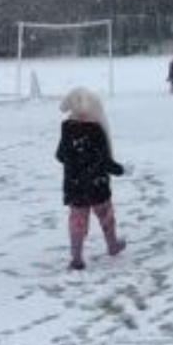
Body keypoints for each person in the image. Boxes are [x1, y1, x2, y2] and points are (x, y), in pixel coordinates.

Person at [56, 87, 127, 271]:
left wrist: (74, 163)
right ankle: (112, 245)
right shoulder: (96, 130)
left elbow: (60, 155)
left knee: (77, 220)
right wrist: (120, 170)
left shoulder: (67, 128)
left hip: (74, 185)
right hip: (97, 185)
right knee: (106, 217)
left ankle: (77, 257)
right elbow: (105, 161)